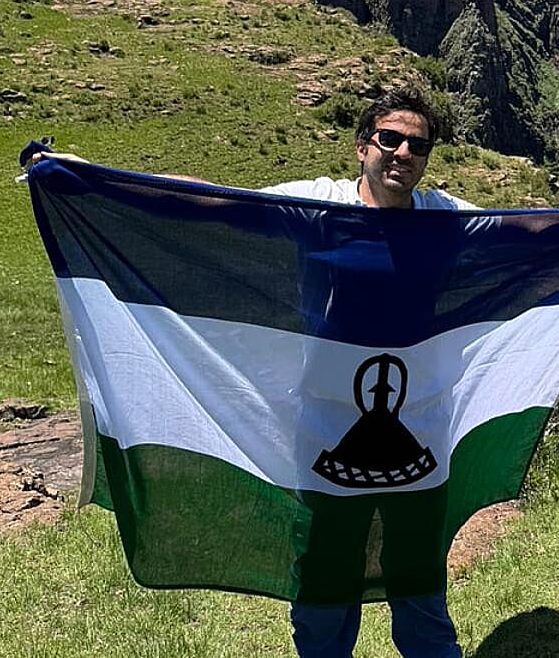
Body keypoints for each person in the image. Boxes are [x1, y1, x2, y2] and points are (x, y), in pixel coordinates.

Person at [27, 86, 469, 658]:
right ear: (363, 146)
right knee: (325, 579)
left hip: (420, 432)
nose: (403, 153)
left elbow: (534, 234)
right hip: (326, 430)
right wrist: (89, 178)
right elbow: (218, 203)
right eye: (390, 139)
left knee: (420, 582)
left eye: (417, 145)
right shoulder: (320, 205)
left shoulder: (444, 219)